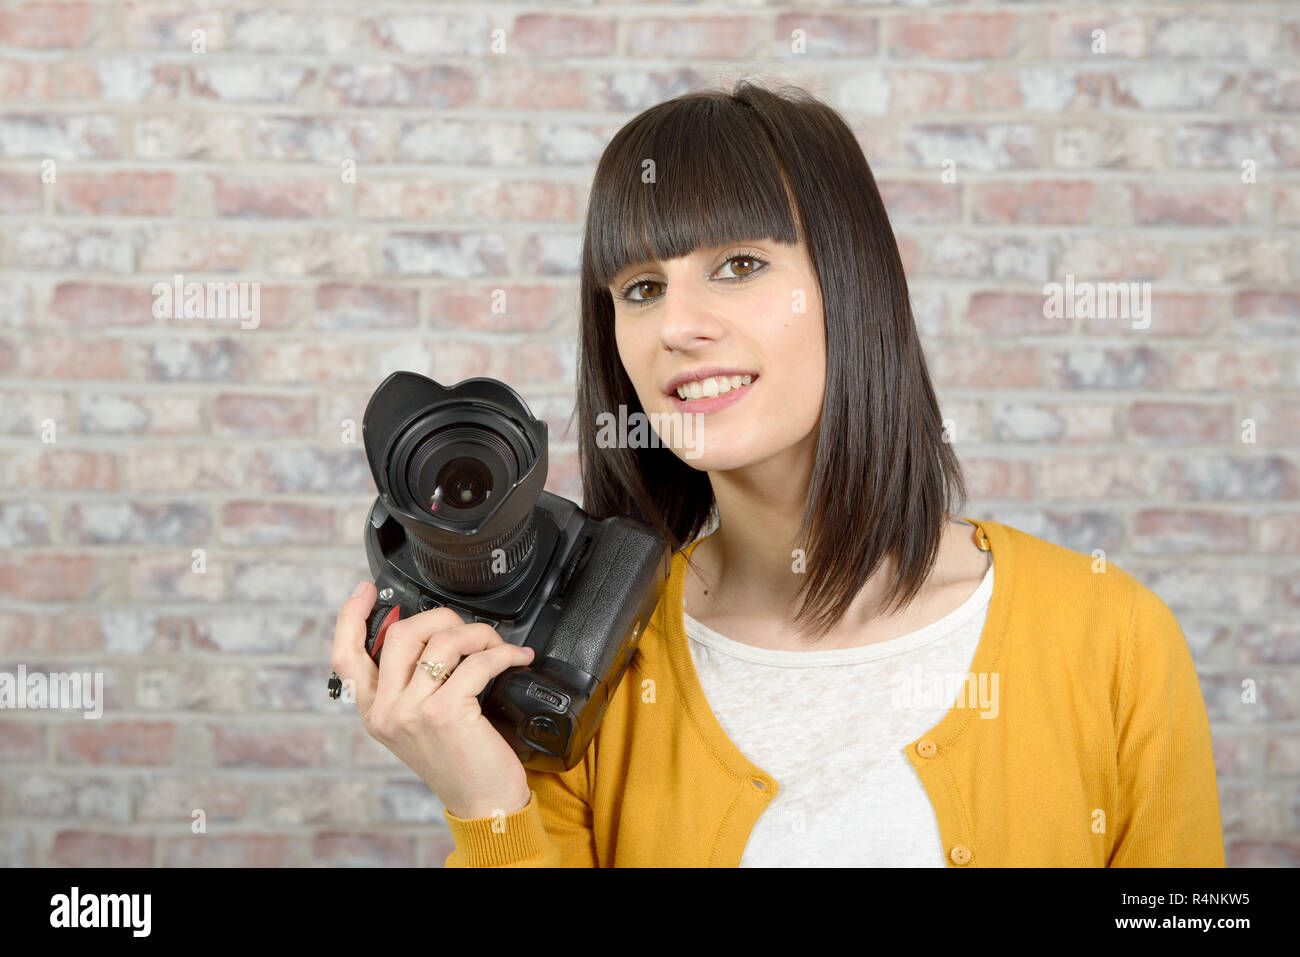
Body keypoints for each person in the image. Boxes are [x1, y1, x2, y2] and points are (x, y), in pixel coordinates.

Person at [330, 79, 1224, 867]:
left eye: (740, 265)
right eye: (641, 288)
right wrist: (490, 808)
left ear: (852, 283)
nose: (678, 324)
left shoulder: (1113, 637)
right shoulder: (580, 670)